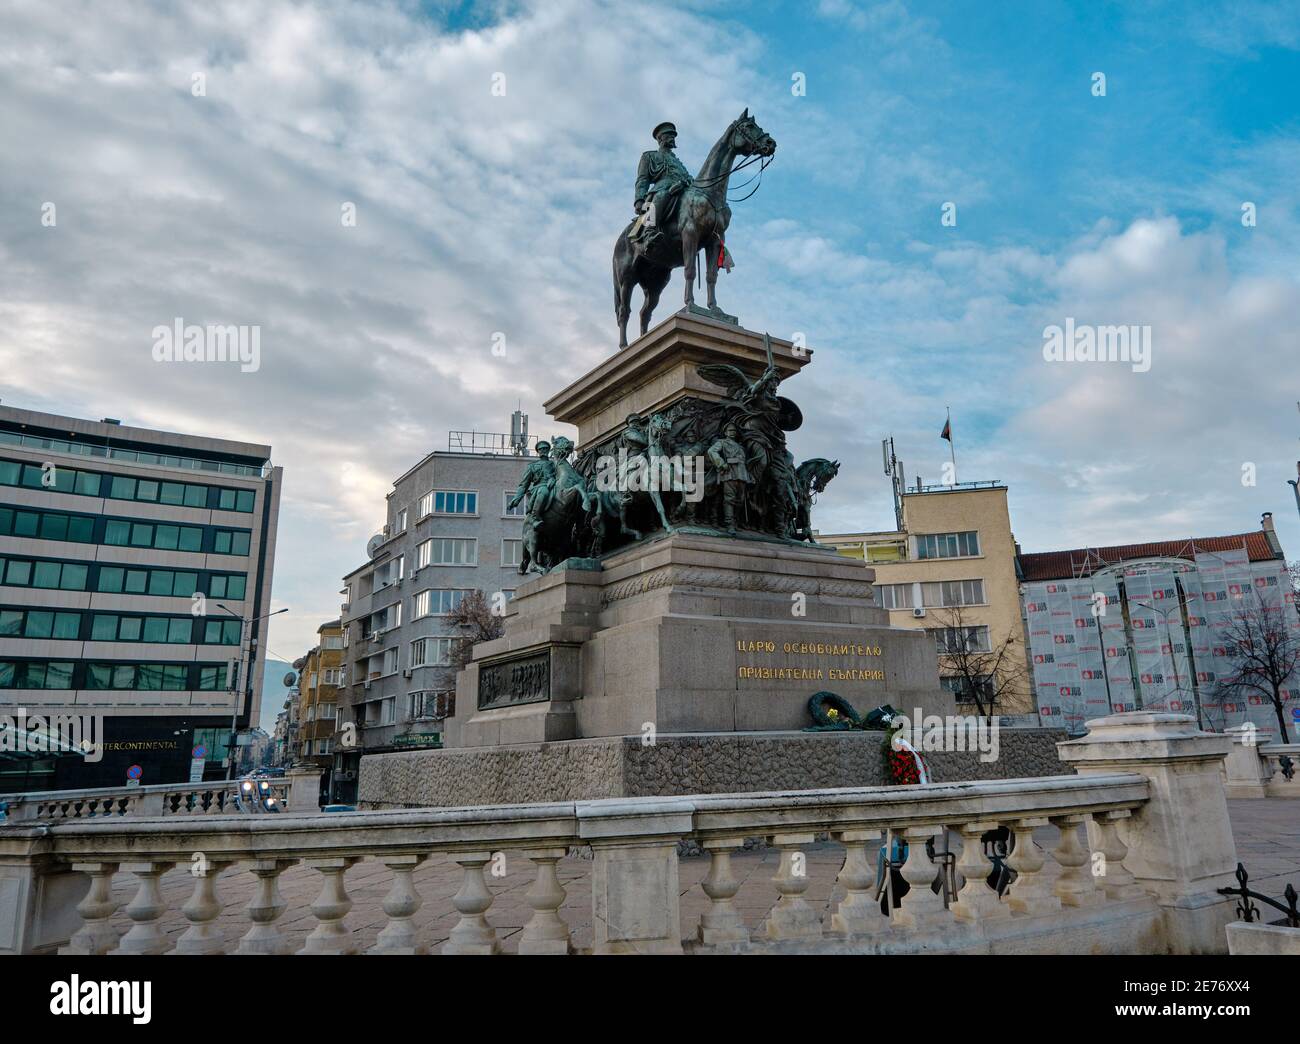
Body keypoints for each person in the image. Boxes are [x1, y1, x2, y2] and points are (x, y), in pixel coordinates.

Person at [629, 122, 693, 249]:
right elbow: (643, 179)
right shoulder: (649, 156)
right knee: (662, 195)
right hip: (662, 189)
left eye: (673, 136)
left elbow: (689, 177)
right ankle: (649, 232)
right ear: (660, 138)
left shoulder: (677, 162)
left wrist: (689, 182)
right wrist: (639, 200)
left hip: (682, 189)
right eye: (669, 135)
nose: (673, 138)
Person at [706, 422, 752, 535]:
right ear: (725, 432)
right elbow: (711, 451)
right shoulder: (721, 442)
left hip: (742, 474)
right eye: (730, 431)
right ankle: (729, 524)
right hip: (729, 473)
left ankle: (736, 522)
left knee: (740, 501)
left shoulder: (741, 447)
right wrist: (721, 463)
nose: (732, 433)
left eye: (734, 431)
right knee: (729, 499)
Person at [508, 439, 556, 516]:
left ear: (548, 450)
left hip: (554, 485)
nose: (543, 450)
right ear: (538, 451)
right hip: (540, 487)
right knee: (544, 491)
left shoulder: (554, 464)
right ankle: (535, 515)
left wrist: (553, 479)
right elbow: (524, 484)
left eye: (545, 448)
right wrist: (516, 499)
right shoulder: (532, 466)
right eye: (541, 449)